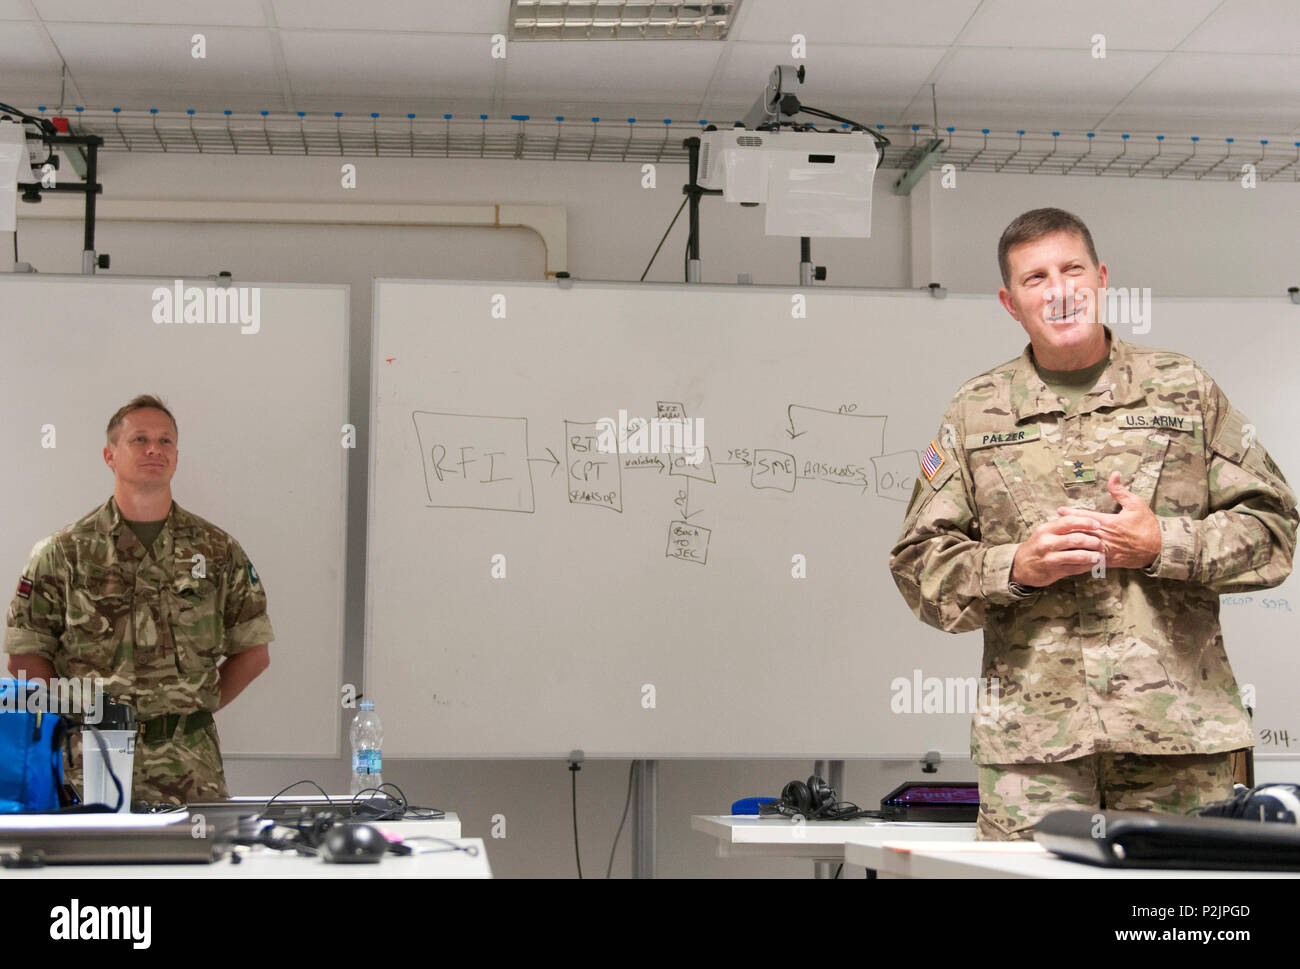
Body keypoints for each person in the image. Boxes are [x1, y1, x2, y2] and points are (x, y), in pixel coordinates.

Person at [889, 208, 1298, 840]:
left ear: (1101, 277)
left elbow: (1275, 530)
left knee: (1171, 931)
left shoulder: (1182, 389)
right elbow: (919, 567)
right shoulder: (973, 413)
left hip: (1180, 742)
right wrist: (1014, 566)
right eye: (1036, 279)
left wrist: (1164, 543)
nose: (1059, 292)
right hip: (1035, 754)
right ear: (1009, 301)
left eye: (1071, 269)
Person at [5, 394, 273, 805]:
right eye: (140, 439)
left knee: (193, 869)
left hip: (189, 767)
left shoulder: (217, 551)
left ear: (177, 457)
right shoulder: (64, 553)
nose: (154, 449)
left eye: (165, 442)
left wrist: (193, 706)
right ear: (110, 455)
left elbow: (253, 653)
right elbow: (25, 658)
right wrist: (76, 713)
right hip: (88, 763)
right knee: (86, 869)